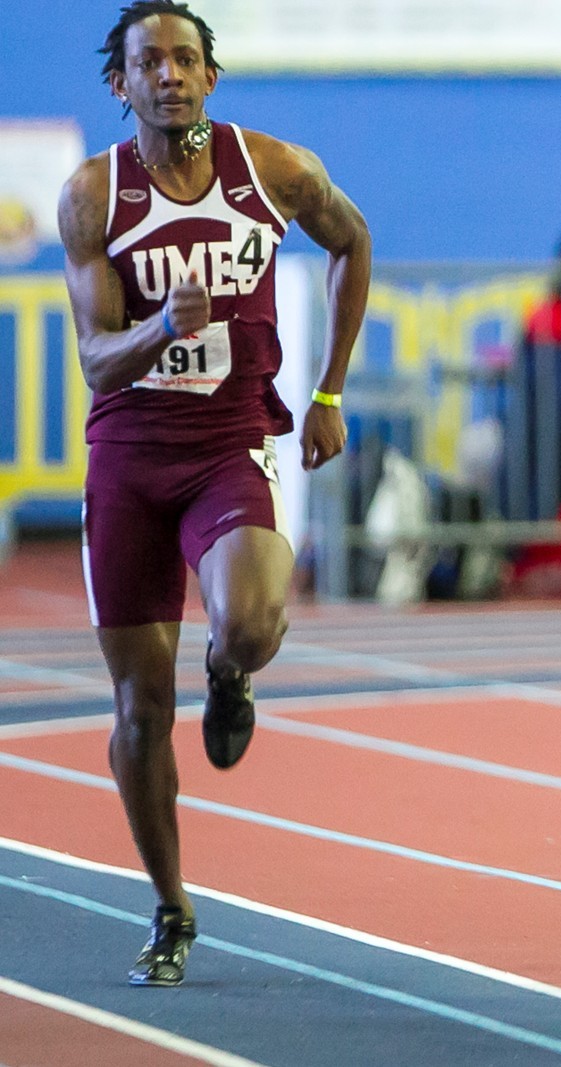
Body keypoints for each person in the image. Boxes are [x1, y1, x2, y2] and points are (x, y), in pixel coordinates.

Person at [57, 1, 370, 986]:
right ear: (122, 84)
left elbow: (353, 242)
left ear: (209, 75)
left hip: (232, 441)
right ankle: (172, 903)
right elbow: (97, 361)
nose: (169, 76)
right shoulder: (92, 197)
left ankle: (229, 675)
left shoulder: (272, 170)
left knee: (254, 618)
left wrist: (327, 390)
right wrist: (161, 328)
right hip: (130, 457)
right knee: (140, 711)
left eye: (185, 59)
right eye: (149, 62)